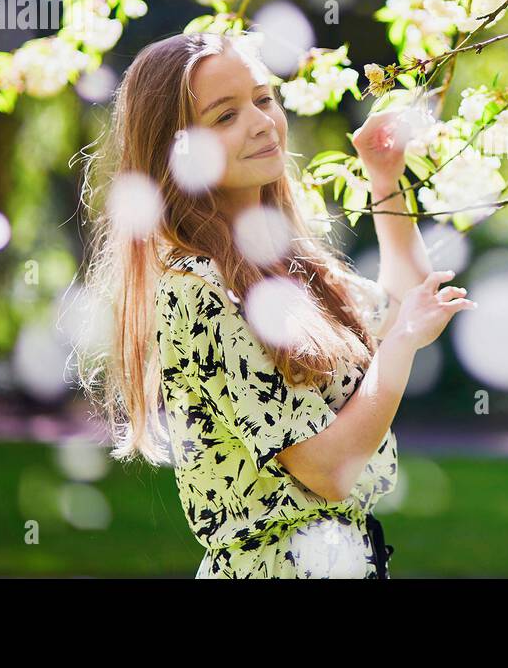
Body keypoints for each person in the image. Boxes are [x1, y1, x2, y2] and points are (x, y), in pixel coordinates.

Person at [73, 30, 475, 577]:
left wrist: (385, 180)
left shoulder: (285, 262)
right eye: (224, 115)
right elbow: (328, 469)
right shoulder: (196, 289)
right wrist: (402, 343)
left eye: (264, 99)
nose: (261, 121)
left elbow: (405, 304)